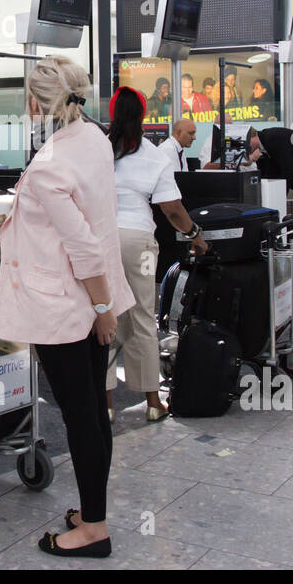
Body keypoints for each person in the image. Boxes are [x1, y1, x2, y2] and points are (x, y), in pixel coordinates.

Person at [0, 56, 134, 558]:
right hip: (90, 298)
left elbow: (82, 246)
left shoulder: (49, 164)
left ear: (35, 102)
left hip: (65, 307)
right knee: (93, 409)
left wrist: (101, 309)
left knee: (81, 416)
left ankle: (93, 530)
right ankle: (91, 509)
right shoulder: (94, 138)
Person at [105, 87, 207, 424]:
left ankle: (104, 404)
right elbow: (172, 209)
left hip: (102, 243)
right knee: (143, 318)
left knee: (103, 319)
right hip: (140, 246)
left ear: (112, 113)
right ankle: (152, 402)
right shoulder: (155, 156)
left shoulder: (99, 151)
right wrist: (195, 235)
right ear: (145, 117)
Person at [245, 126, 293, 290]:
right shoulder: (267, 142)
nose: (247, 148)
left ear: (253, 136)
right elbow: (275, 171)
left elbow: (287, 171)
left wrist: (277, 199)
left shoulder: (272, 137)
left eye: (247, 143)